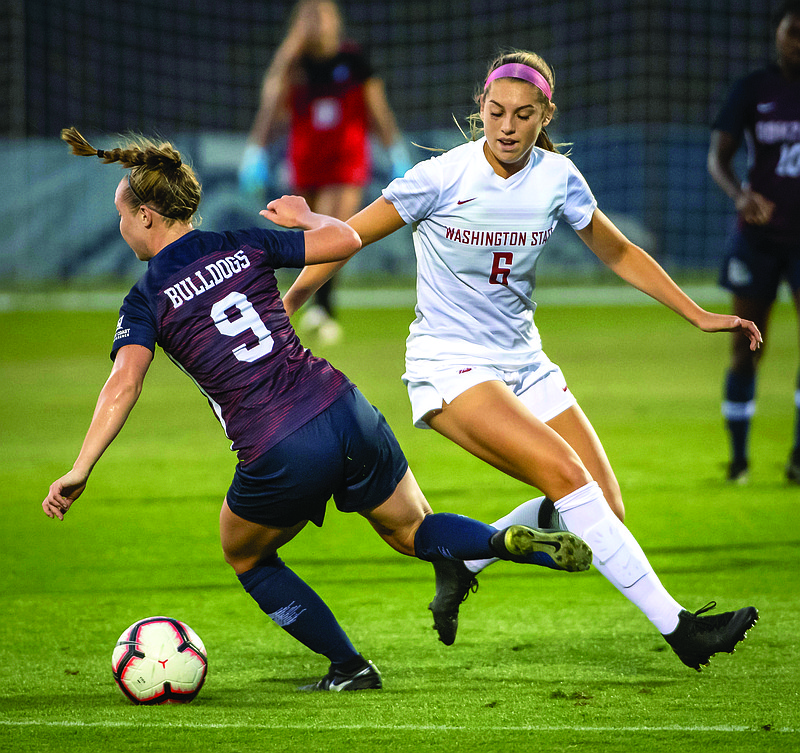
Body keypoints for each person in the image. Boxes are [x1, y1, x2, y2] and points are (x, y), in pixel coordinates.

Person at [43, 126, 594, 692]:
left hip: (278, 442)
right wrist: (308, 218)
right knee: (413, 529)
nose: (121, 227)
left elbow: (122, 384)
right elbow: (346, 242)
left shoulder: (146, 297)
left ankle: (351, 667)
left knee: (245, 554)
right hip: (343, 406)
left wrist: (81, 468)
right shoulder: (245, 242)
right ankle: (498, 543)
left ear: (147, 217)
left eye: (122, 215)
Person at [283, 50, 763, 671]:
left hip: (526, 363)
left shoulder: (558, 176)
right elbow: (345, 239)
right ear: (479, 109)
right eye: (496, 111)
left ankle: (465, 559)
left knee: (604, 511)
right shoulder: (440, 177)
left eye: (523, 114)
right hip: (449, 363)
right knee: (567, 478)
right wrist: (290, 302)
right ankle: (681, 630)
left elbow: (618, 252)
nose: (507, 126)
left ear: (545, 117)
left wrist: (697, 313)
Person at [239, 0, 411, 345]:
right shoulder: (294, 63)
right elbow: (272, 103)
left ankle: (320, 308)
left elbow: (378, 110)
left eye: (323, 14)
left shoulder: (354, 60)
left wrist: (395, 151)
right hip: (306, 162)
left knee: (338, 230)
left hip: (346, 163)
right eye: (309, 15)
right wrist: (255, 151)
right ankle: (315, 307)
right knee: (311, 237)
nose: (317, 22)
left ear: (336, 20)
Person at [707, 0, 800, 485]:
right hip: (758, 239)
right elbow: (718, 159)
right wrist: (741, 195)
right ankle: (739, 461)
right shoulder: (753, 88)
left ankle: (798, 460)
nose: (797, 42)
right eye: (791, 32)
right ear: (778, 35)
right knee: (747, 344)